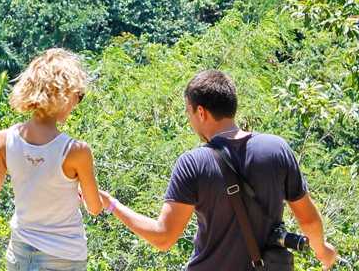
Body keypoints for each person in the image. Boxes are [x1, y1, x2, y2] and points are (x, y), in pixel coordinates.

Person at [98, 70, 337, 270]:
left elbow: (164, 237)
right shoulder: (276, 148)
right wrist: (322, 250)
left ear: (200, 112)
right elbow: (307, 219)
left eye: (189, 114)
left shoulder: (193, 163)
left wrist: (112, 205)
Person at [0, 48, 102, 269]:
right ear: (63, 95)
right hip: (63, 259)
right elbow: (94, 207)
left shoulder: (4, 141)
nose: (76, 103)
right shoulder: (76, 150)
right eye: (77, 95)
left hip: (18, 255)